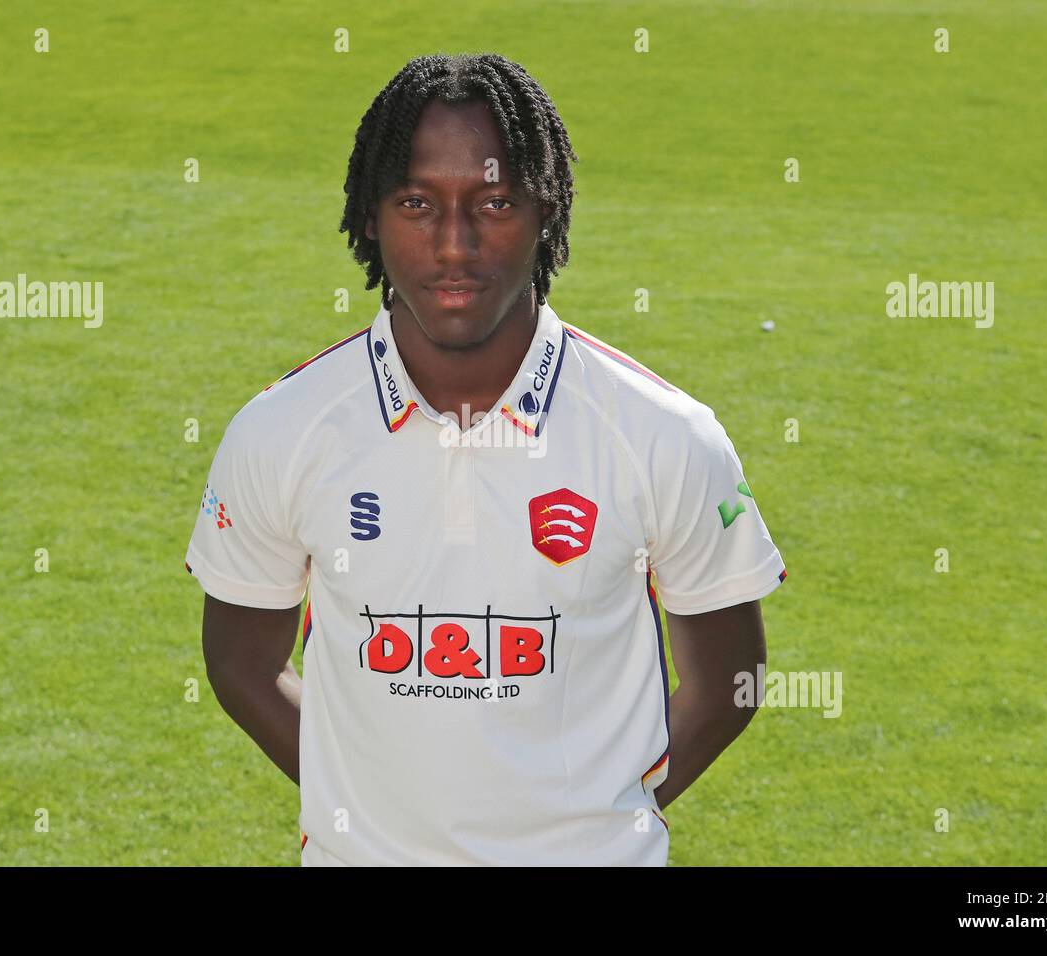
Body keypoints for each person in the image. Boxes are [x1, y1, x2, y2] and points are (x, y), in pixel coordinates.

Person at [185, 52, 786, 866]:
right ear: (369, 215)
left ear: (548, 208)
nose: (455, 244)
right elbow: (240, 665)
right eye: (417, 203)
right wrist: (368, 814)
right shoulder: (284, 430)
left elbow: (730, 685)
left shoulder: (662, 435)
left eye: (495, 202)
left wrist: (599, 817)